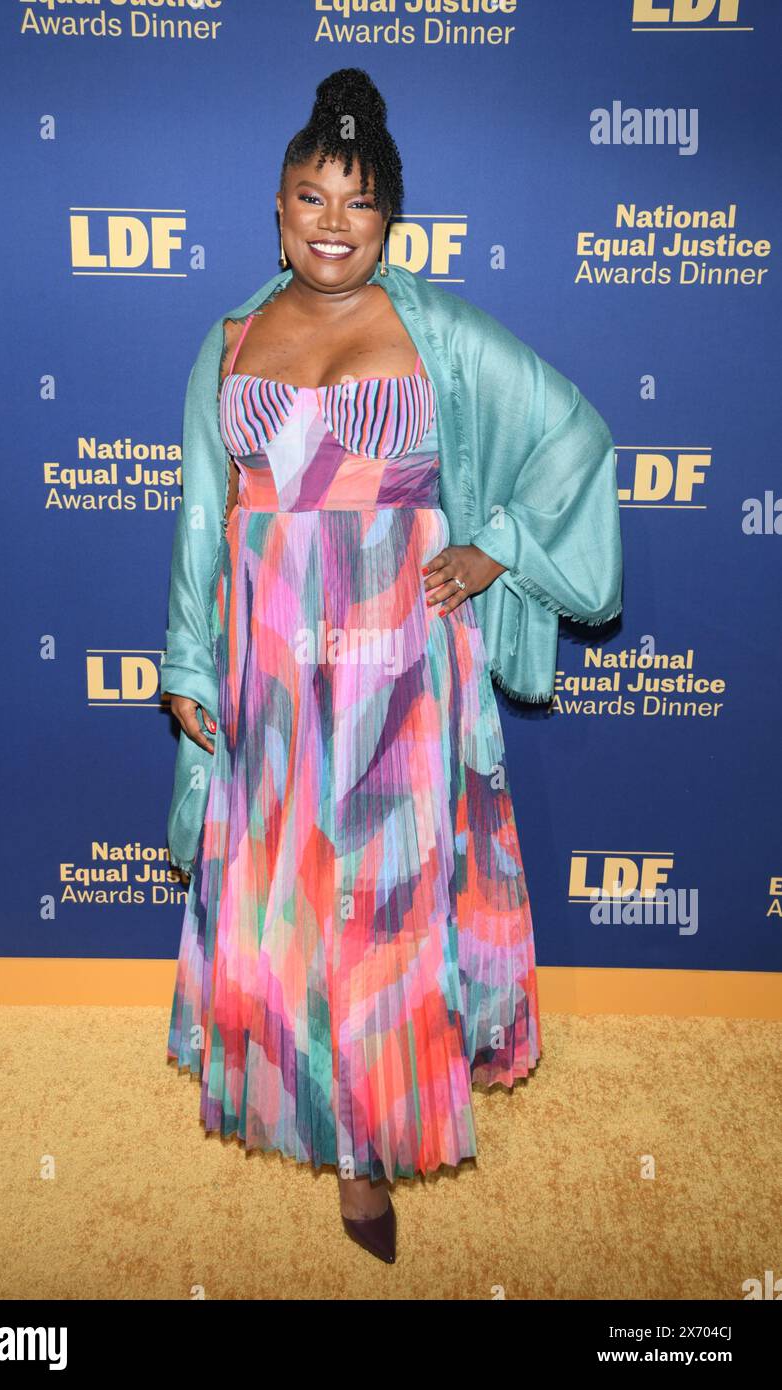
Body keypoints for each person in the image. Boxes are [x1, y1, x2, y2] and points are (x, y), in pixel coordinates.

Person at [161, 68, 623, 1265]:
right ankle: (314, 1099)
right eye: (308, 195)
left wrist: (497, 549)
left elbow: (575, 436)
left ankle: (366, 1156)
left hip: (394, 674)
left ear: (389, 220)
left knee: (382, 914)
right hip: (270, 670)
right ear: (275, 209)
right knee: (292, 905)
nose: (330, 220)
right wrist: (188, 667)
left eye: (357, 203)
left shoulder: (438, 334)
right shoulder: (227, 341)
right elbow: (200, 520)